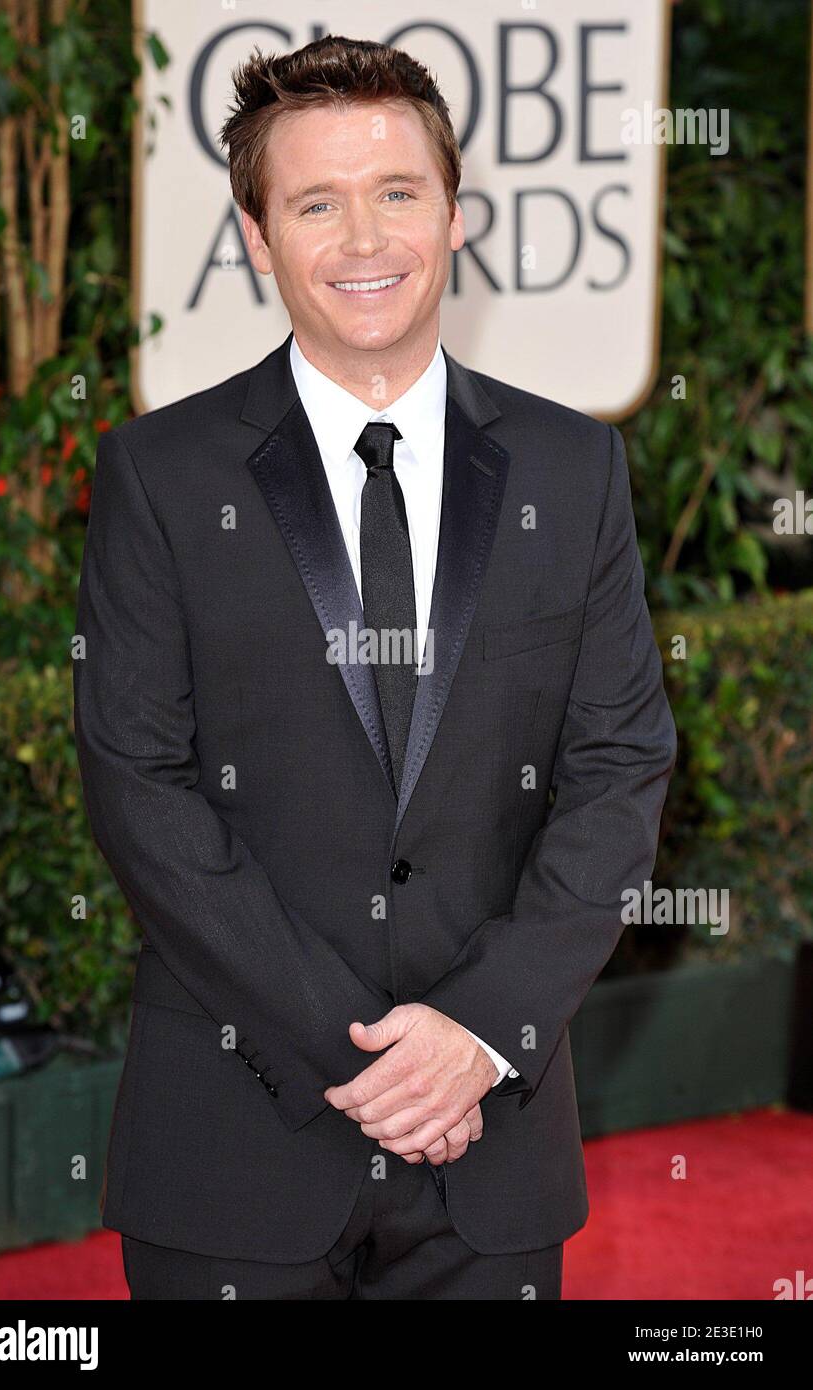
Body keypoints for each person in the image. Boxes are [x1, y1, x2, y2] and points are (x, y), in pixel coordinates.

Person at [73, 34, 676, 1301]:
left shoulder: (573, 474)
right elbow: (141, 788)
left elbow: (618, 766)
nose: (364, 238)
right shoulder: (161, 477)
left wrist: (475, 1033)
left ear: (454, 215)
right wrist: (362, 1062)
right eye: (315, 202)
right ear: (254, 236)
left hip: (492, 1157)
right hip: (235, 1142)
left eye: (397, 192)